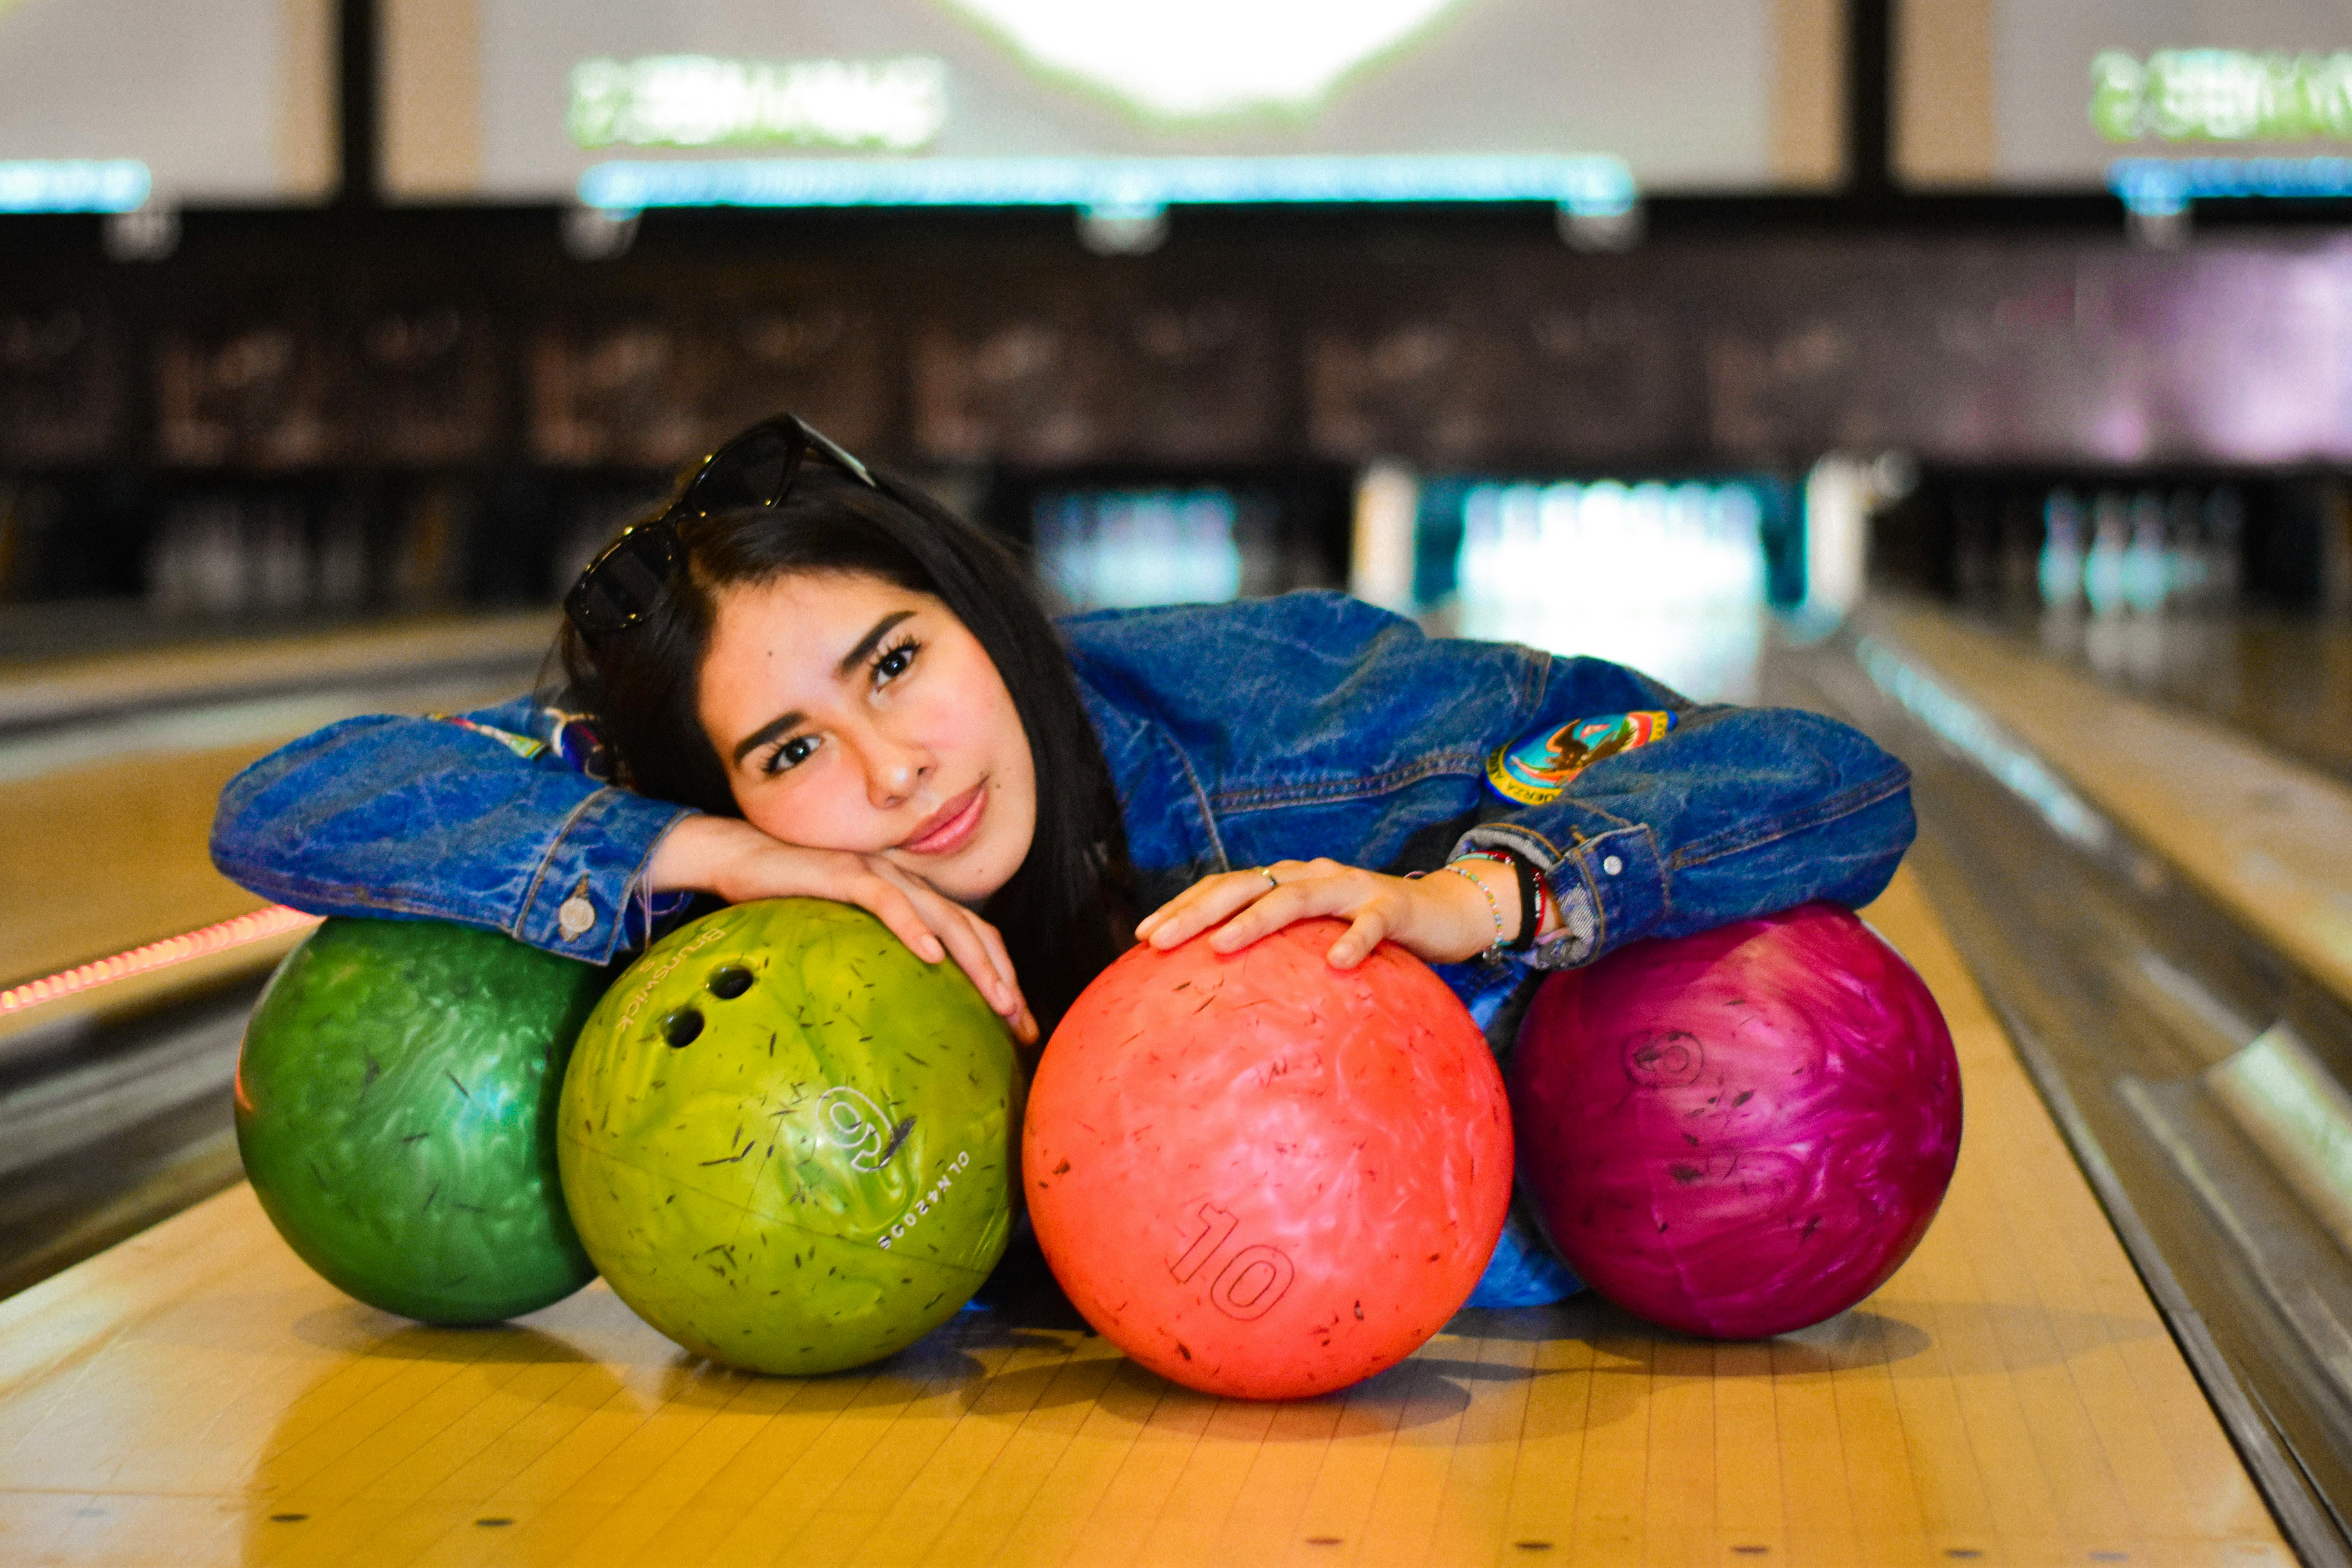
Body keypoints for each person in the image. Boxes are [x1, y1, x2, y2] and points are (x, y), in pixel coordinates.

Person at [211, 413, 1916, 1306]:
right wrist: (708, 852)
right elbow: (290, 798)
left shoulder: (1292, 715)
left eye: (897, 662)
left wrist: (1462, 896)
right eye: (790, 750)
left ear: (976, 600)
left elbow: (1827, 780)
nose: (893, 772)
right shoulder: (740, 849)